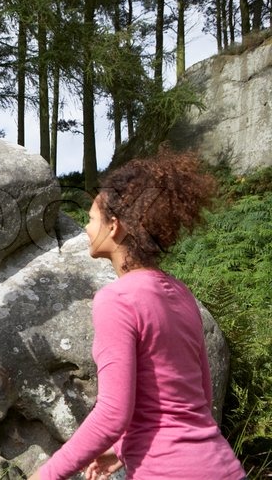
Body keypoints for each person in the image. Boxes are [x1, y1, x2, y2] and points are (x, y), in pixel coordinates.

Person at [29, 149, 246, 480]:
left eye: (91, 219)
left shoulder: (116, 300)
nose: (87, 229)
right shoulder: (182, 294)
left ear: (113, 227)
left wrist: (47, 474)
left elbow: (114, 413)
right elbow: (196, 398)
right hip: (222, 466)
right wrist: (121, 450)